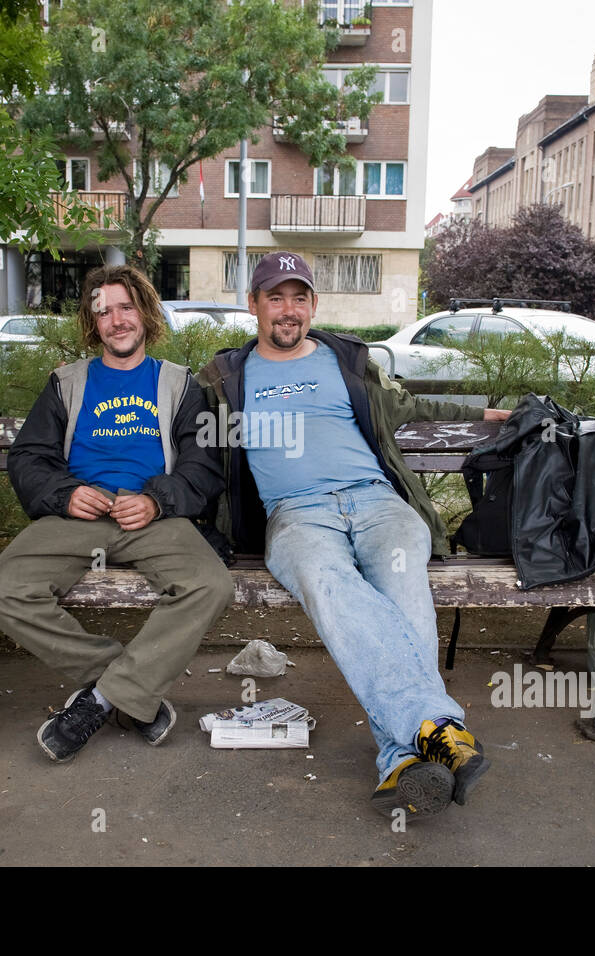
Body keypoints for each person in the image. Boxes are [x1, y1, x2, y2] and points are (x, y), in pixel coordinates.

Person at [197, 252, 510, 818]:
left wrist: (485, 413)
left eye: (299, 298)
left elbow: (410, 404)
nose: (288, 310)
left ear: (314, 305)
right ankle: (439, 729)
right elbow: (178, 432)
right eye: (275, 297)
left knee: (401, 578)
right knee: (325, 579)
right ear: (254, 306)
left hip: (376, 503)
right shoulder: (224, 379)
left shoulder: (348, 361)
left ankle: (402, 756)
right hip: (297, 514)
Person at [0, 264, 234, 762]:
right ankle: (125, 683)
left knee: (211, 584)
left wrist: (159, 499)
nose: (117, 320)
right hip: (78, 518)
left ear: (145, 314)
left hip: (153, 519)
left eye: (125, 307)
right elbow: (30, 458)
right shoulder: (65, 383)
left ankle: (97, 700)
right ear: (92, 323)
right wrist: (63, 493)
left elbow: (204, 465)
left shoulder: (179, 385)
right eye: (103, 311)